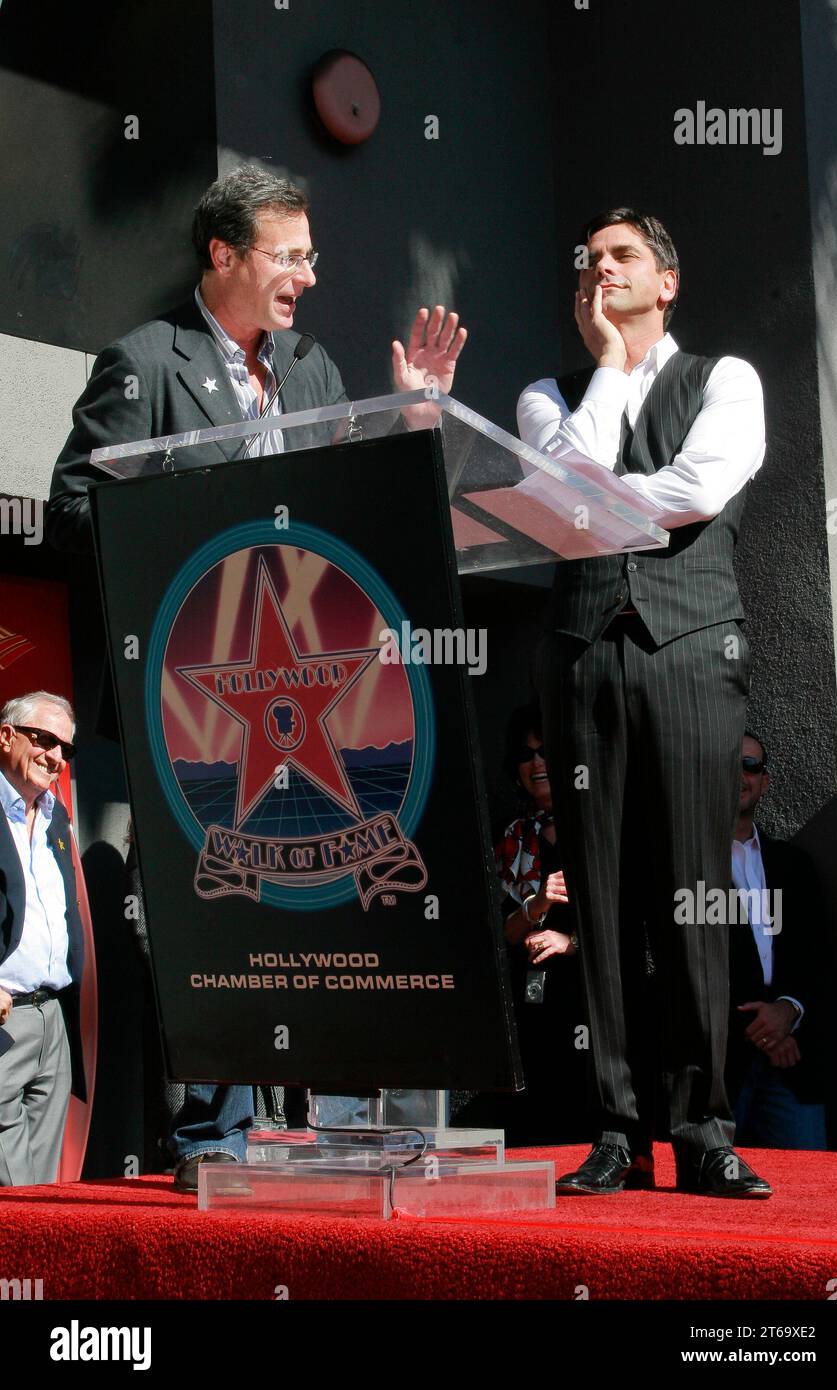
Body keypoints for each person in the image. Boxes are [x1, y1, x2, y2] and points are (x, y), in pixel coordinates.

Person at [46, 165, 468, 1191]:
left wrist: (412, 424)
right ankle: (210, 1140)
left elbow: (358, 519)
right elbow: (70, 511)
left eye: (312, 256)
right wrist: (171, 533)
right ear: (223, 256)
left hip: (311, 689)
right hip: (193, 693)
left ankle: (320, 1117)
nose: (308, 278)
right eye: (289, 255)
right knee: (208, 903)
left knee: (311, 897)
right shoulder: (146, 361)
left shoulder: (313, 371)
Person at [519, 208, 771, 1197]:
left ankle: (702, 1124)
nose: (599, 268)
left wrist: (601, 504)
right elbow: (556, 486)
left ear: (665, 279)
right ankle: (616, 1125)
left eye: (620, 256)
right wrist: (608, 371)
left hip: (689, 651)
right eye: (586, 258)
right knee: (604, 897)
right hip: (582, 661)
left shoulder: (725, 377)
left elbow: (701, 485)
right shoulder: (550, 389)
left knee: (689, 895)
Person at [0, 692, 84, 1185]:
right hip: (6, 1016)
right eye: (45, 739)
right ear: (6, 735)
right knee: (10, 1186)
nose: (55, 756)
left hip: (53, 1017)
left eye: (65, 749)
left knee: (39, 1188)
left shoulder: (57, 817)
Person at [493, 705, 587, 1145]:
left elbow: (633, 930)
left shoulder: (597, 830)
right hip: (530, 1009)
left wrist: (570, 944)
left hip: (590, 1006)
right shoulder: (513, 837)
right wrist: (538, 904)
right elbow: (501, 934)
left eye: (547, 751)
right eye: (527, 755)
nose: (537, 763)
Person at [728, 733, 827, 1148]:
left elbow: (819, 957)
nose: (741, 775)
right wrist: (764, 1031)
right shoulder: (683, 867)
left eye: (750, 766)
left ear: (765, 781)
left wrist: (789, 1010)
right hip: (718, 1073)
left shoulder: (794, 865)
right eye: (731, 763)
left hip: (791, 1065)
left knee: (809, 1200)